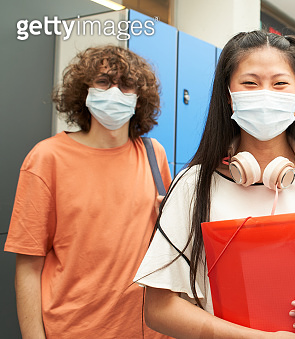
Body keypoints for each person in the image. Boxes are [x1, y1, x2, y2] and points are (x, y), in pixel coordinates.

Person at [134, 30, 295, 339]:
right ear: (229, 94)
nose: (266, 93)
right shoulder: (193, 185)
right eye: (250, 83)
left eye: (280, 84)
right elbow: (158, 309)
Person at [4, 45, 172, 338]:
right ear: (84, 91)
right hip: (74, 329)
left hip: (150, 330)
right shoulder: (47, 158)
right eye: (104, 82)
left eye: (127, 85)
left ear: (139, 97)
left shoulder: (152, 154)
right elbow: (29, 267)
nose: (115, 92)